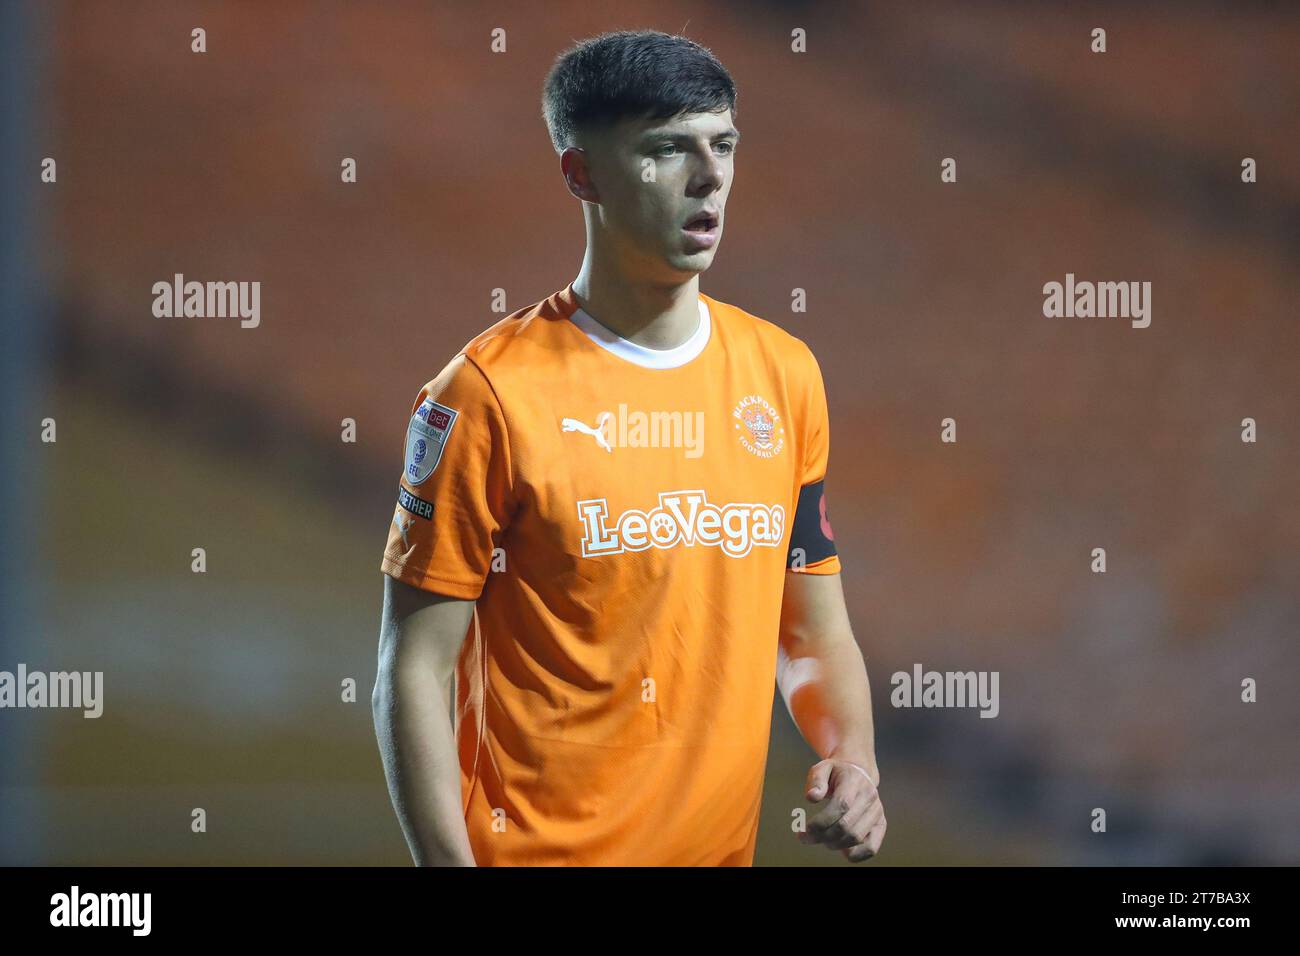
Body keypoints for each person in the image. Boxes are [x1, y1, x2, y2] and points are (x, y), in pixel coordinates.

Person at [373, 29, 885, 866]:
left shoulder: (785, 376)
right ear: (582, 174)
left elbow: (809, 633)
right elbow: (414, 670)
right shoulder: (485, 396)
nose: (709, 174)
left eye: (722, 144)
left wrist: (852, 759)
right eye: (667, 149)